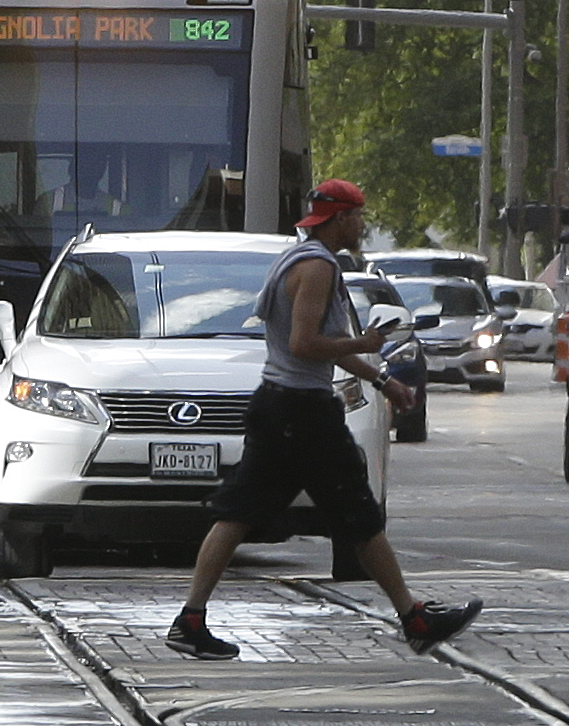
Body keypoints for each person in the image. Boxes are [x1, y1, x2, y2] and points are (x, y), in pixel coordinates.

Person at [165, 178, 483, 660]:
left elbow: (317, 345)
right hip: (302, 410)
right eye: (358, 216)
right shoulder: (316, 267)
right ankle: (414, 618)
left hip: (281, 403)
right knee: (357, 512)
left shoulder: (300, 260)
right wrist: (365, 345)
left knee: (240, 511)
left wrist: (382, 381)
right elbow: (305, 344)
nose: (362, 224)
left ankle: (190, 620)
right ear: (340, 219)